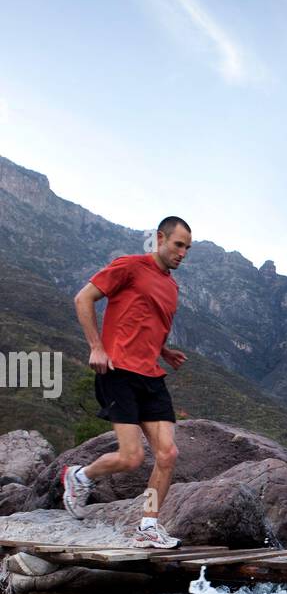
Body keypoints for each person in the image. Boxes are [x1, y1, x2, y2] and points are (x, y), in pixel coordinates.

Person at [62, 217, 191, 547]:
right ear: (160, 238)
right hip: (118, 372)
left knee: (168, 454)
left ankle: (148, 524)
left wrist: (165, 351)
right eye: (178, 244)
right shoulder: (130, 267)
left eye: (187, 248)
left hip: (151, 376)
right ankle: (80, 476)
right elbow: (83, 298)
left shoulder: (172, 288)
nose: (182, 253)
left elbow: (147, 323)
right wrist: (96, 347)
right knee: (131, 457)